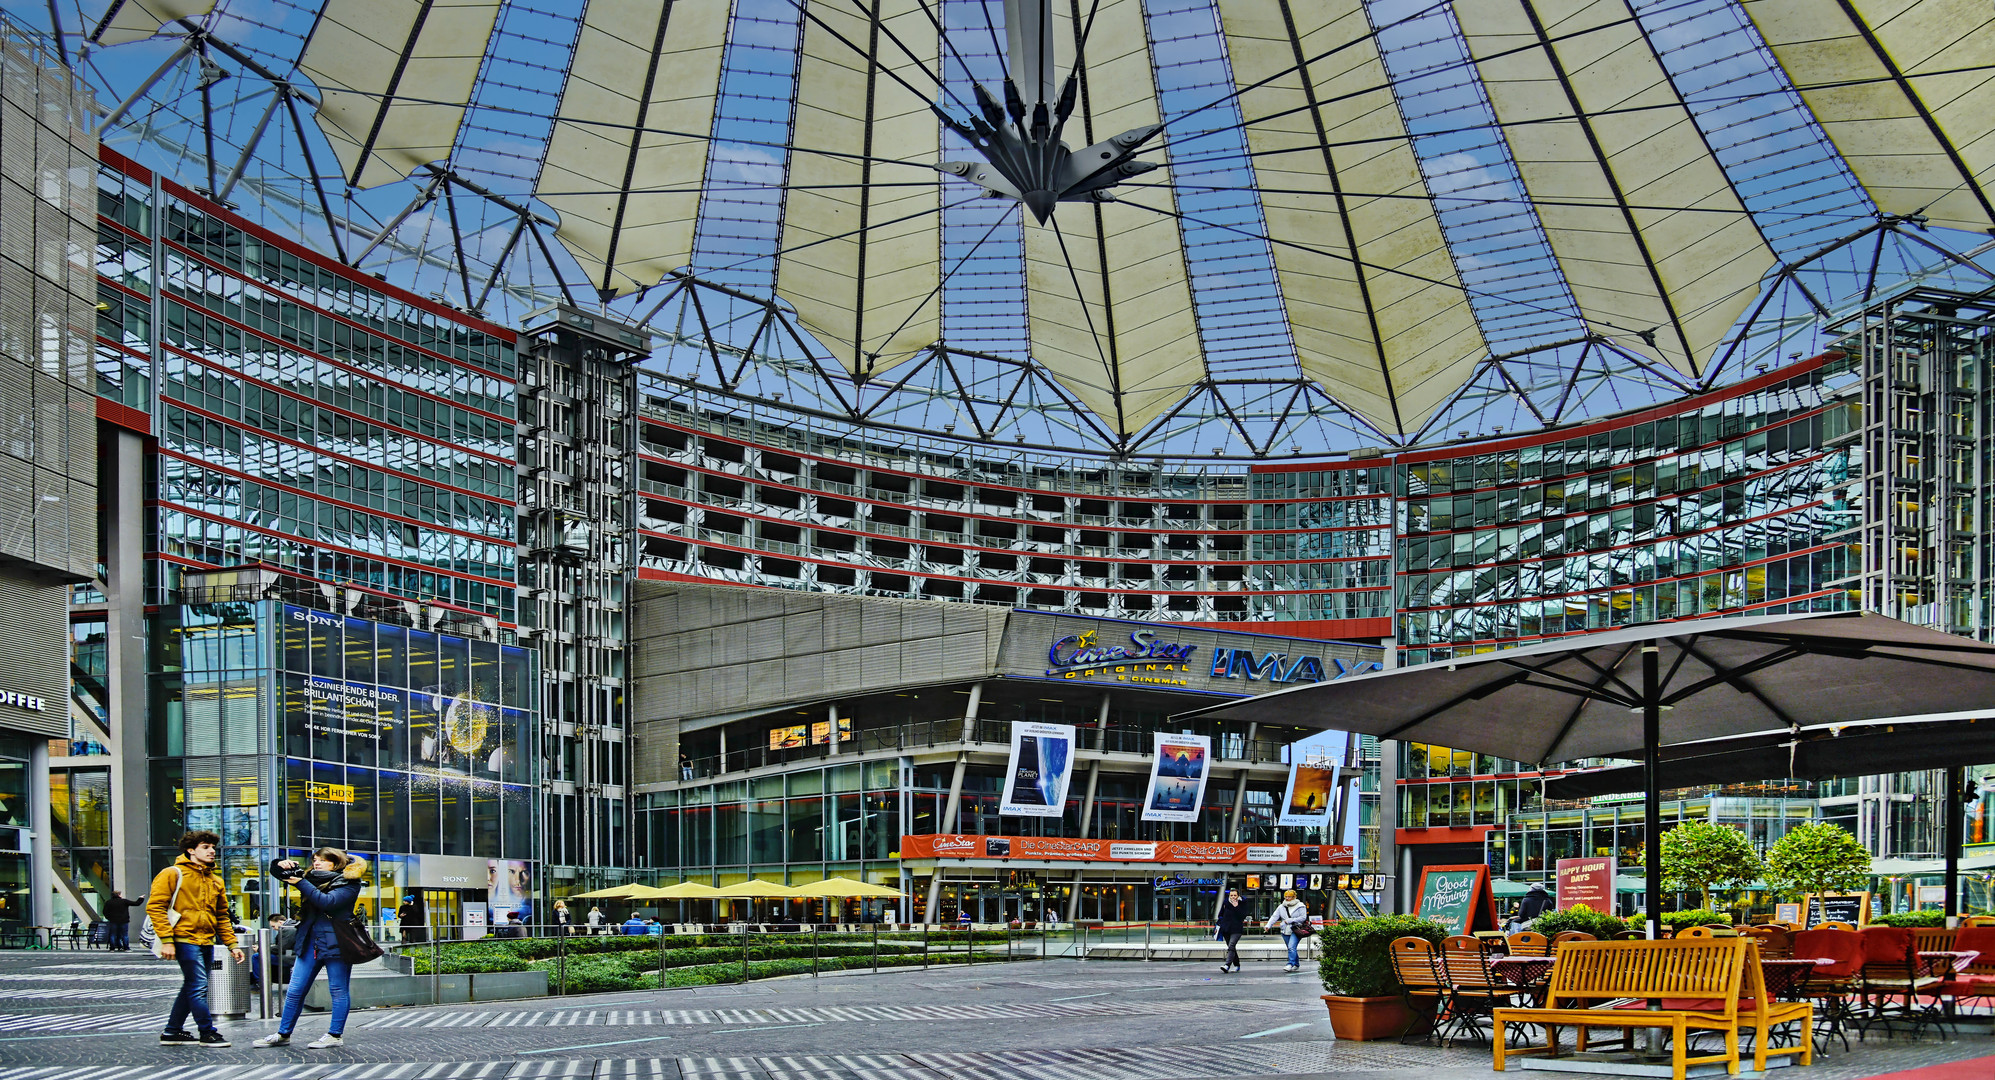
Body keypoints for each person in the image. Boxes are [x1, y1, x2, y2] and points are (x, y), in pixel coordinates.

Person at [253, 847, 366, 1050]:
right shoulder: (311, 879)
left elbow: (328, 902)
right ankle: (283, 1033)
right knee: (295, 990)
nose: (317, 863)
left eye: (323, 860)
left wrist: (302, 882)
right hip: (309, 942)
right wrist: (280, 863)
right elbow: (280, 874)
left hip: (337, 942)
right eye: (315, 859)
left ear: (336, 862)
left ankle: (334, 1035)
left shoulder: (349, 882)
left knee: (338, 989)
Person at [147, 829, 243, 1048]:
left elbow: (221, 916)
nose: (212, 852)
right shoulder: (172, 873)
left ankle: (172, 1031)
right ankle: (207, 1032)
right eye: (205, 847)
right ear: (191, 850)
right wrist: (167, 940)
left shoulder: (215, 880)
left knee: (192, 986)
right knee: (198, 985)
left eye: (213, 848)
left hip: (206, 941)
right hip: (183, 939)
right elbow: (156, 907)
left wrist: (232, 943)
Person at [1265, 889, 1312, 973]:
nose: (1287, 898)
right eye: (1286, 896)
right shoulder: (1281, 906)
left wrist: (1290, 920)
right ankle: (1296, 964)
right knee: (1291, 948)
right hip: (1285, 930)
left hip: (1296, 929)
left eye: (1289, 897)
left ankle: (1290, 964)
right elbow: (1274, 916)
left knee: (1291, 947)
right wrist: (1268, 925)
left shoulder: (1300, 906)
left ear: (1294, 897)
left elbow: (1303, 917)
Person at [1214, 887, 1248, 973]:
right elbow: (1220, 914)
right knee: (1231, 947)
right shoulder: (1226, 902)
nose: (1233, 897)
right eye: (1231, 895)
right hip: (1226, 928)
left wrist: (1236, 907)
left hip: (1237, 929)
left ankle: (1227, 965)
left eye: (1235, 895)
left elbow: (1242, 916)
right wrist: (1222, 922)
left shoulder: (1242, 903)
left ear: (1238, 896)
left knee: (1231, 945)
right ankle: (1237, 965)